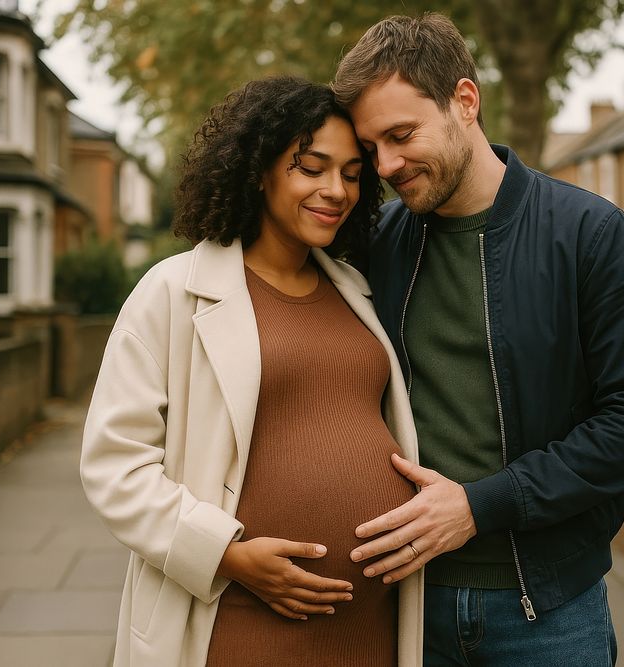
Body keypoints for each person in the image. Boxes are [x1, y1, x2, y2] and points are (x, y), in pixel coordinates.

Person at [332, 13, 624, 666]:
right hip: (405, 604)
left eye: (401, 135)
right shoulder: (376, 241)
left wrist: (479, 505)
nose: (387, 165)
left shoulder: (588, 234)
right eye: (371, 147)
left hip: (549, 609)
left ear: (465, 101)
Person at [79, 76, 424, 667]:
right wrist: (226, 556)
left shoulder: (354, 291)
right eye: (310, 168)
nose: (335, 190)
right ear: (261, 170)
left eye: (350, 173)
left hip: (372, 628)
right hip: (240, 620)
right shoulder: (172, 292)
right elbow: (115, 464)